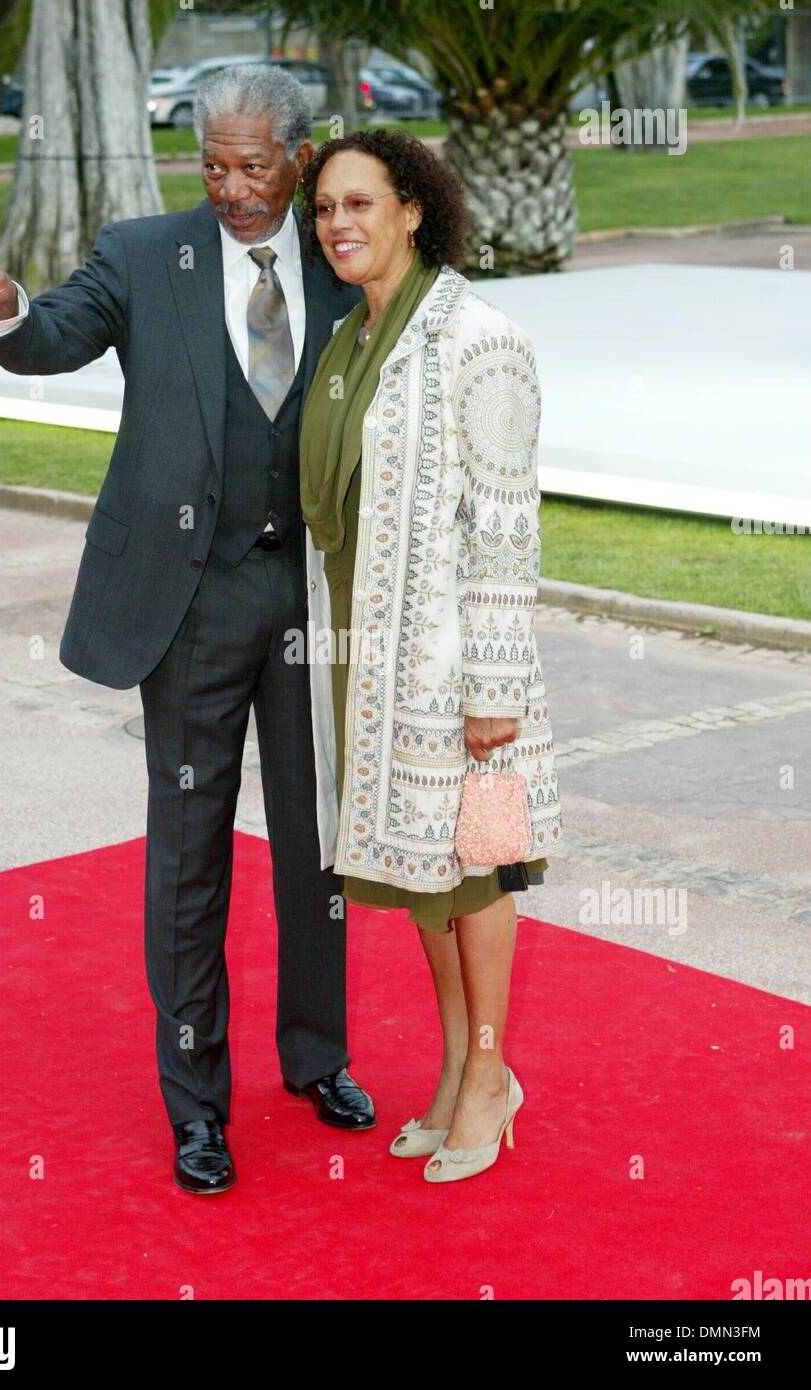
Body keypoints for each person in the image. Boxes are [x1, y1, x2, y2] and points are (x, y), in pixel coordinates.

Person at [0, 67, 376, 1196]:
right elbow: (59, 330)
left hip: (310, 604)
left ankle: (317, 1056)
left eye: (254, 166)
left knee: (318, 847)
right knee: (189, 860)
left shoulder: (344, 265)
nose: (234, 189)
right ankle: (196, 1106)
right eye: (213, 165)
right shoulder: (145, 255)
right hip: (189, 609)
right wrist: (6, 316)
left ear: (297, 157)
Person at [297, 130, 563, 1184]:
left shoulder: (478, 337)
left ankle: (492, 1076)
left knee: (477, 869)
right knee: (422, 878)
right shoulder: (349, 339)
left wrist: (493, 683)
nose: (337, 226)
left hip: (461, 671)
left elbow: (505, 525)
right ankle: (459, 1065)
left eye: (359, 204)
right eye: (322, 209)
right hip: (373, 660)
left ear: (412, 208)